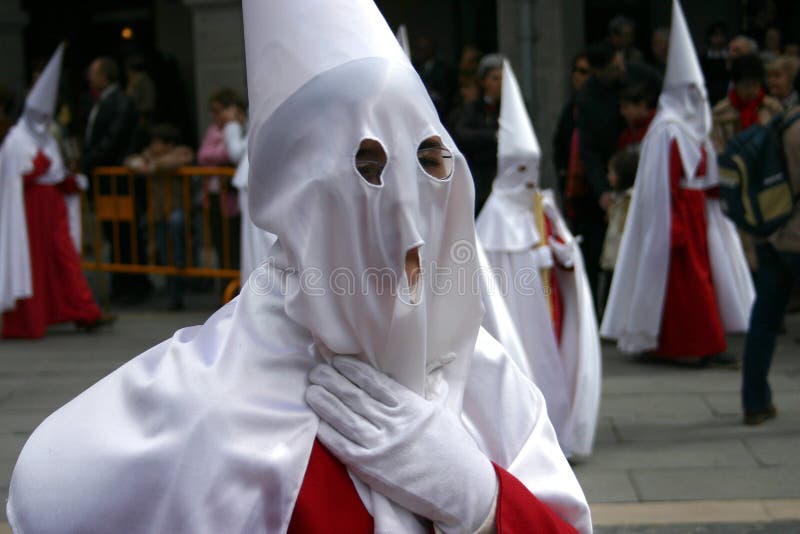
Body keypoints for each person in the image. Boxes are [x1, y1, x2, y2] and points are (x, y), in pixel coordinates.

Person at [6, 1, 591, 532]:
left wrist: (485, 503)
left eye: (429, 159)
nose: (411, 219)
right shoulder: (213, 408)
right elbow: (56, 484)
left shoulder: (489, 375)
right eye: (368, 168)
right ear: (298, 200)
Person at [601, 0, 754, 364]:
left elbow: (706, 175)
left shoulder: (690, 129)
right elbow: (665, 184)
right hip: (678, 216)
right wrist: (675, 223)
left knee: (698, 282)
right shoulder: (668, 130)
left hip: (697, 212)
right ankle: (697, 345)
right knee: (688, 285)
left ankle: (694, 343)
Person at [476, 60, 601, 459]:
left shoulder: (540, 204)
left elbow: (566, 251)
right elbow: (489, 278)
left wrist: (561, 252)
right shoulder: (493, 216)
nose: (529, 179)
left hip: (550, 311)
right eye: (520, 170)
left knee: (554, 367)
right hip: (515, 315)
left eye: (534, 170)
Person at [0, 44, 113, 339]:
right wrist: (36, 167)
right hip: (28, 211)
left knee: (64, 260)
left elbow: (56, 172)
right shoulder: (16, 139)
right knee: (35, 265)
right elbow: (13, 178)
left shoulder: (48, 137)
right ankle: (31, 319)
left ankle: (84, 311)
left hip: (53, 208)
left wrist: (70, 182)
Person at [741, 71, 800, 425]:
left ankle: (755, 401)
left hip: (771, 233)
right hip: (795, 235)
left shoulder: (781, 120)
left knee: (764, 320)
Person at [573, 41, 625, 299]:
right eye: (615, 66)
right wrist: (602, 188)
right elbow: (588, 151)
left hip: (625, 175)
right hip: (599, 186)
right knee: (597, 252)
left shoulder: (626, 85)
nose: (621, 69)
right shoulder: (588, 100)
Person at [124, 123, 195, 310]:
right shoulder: (149, 156)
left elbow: (176, 161)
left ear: (169, 144)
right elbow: (131, 162)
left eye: (157, 143)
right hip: (158, 213)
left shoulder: (181, 153)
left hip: (177, 210)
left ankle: (181, 287)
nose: (154, 146)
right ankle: (174, 292)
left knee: (178, 252)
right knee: (165, 255)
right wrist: (147, 163)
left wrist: (152, 165)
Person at [451, 53, 503, 214]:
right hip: (478, 176)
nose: (500, 84)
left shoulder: (510, 110)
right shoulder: (472, 108)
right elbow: (462, 134)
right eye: (495, 78)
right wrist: (492, 136)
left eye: (503, 79)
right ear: (483, 81)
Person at [711, 53, 782, 154]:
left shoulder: (773, 107)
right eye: (746, 85)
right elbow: (717, 147)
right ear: (735, 84)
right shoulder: (720, 112)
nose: (751, 90)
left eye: (755, 84)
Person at [598, 149, 638, 313]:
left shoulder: (632, 200)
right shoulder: (615, 199)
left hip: (624, 254)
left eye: (611, 172)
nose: (608, 177)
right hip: (612, 253)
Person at [553, 53, 590, 199]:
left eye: (583, 72)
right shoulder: (570, 108)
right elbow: (560, 141)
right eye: (575, 70)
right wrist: (562, 171)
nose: (576, 76)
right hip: (572, 183)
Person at [617, 83, 657, 151]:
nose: (622, 112)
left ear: (642, 105)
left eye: (626, 107)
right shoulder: (626, 136)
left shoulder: (658, 126)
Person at [701, 22, 731, 105]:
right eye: (715, 36)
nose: (719, 39)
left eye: (722, 35)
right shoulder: (703, 59)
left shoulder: (730, 58)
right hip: (708, 97)